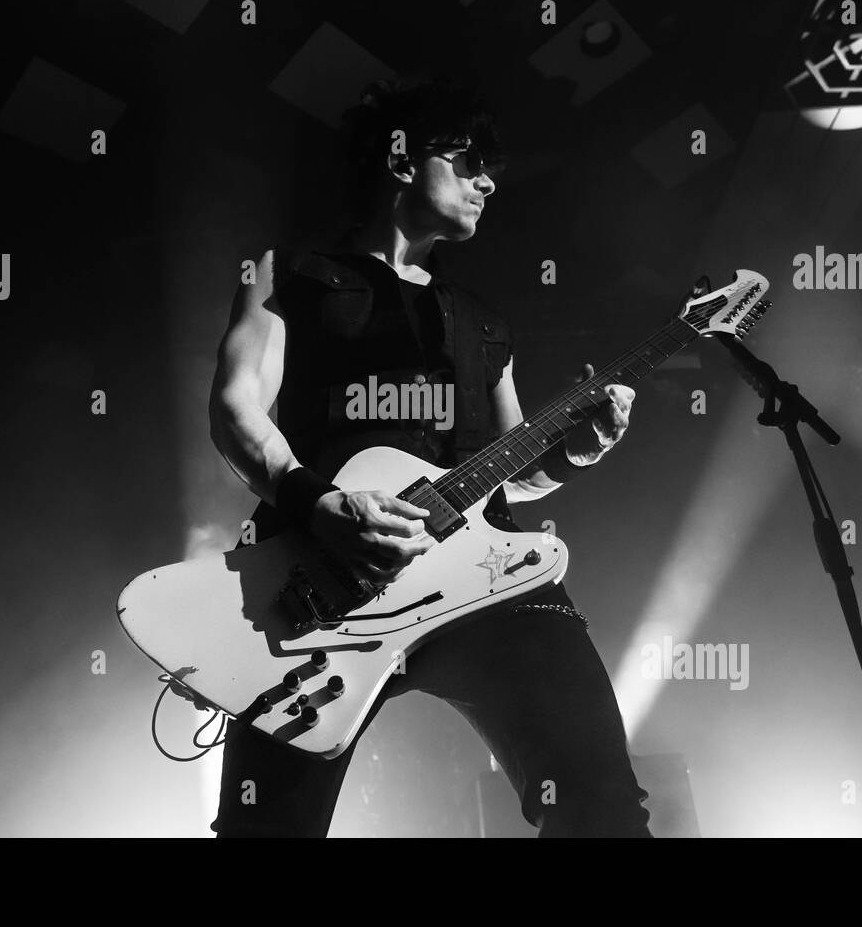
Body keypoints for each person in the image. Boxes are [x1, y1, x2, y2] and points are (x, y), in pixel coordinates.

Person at [206, 76, 651, 837]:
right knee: (264, 829)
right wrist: (315, 501)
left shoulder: (484, 325)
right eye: (471, 159)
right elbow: (235, 410)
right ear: (403, 159)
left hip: (487, 585)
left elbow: (519, 476)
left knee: (600, 803)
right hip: (320, 582)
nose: (488, 181)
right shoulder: (286, 274)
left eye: (493, 171)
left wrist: (576, 454)